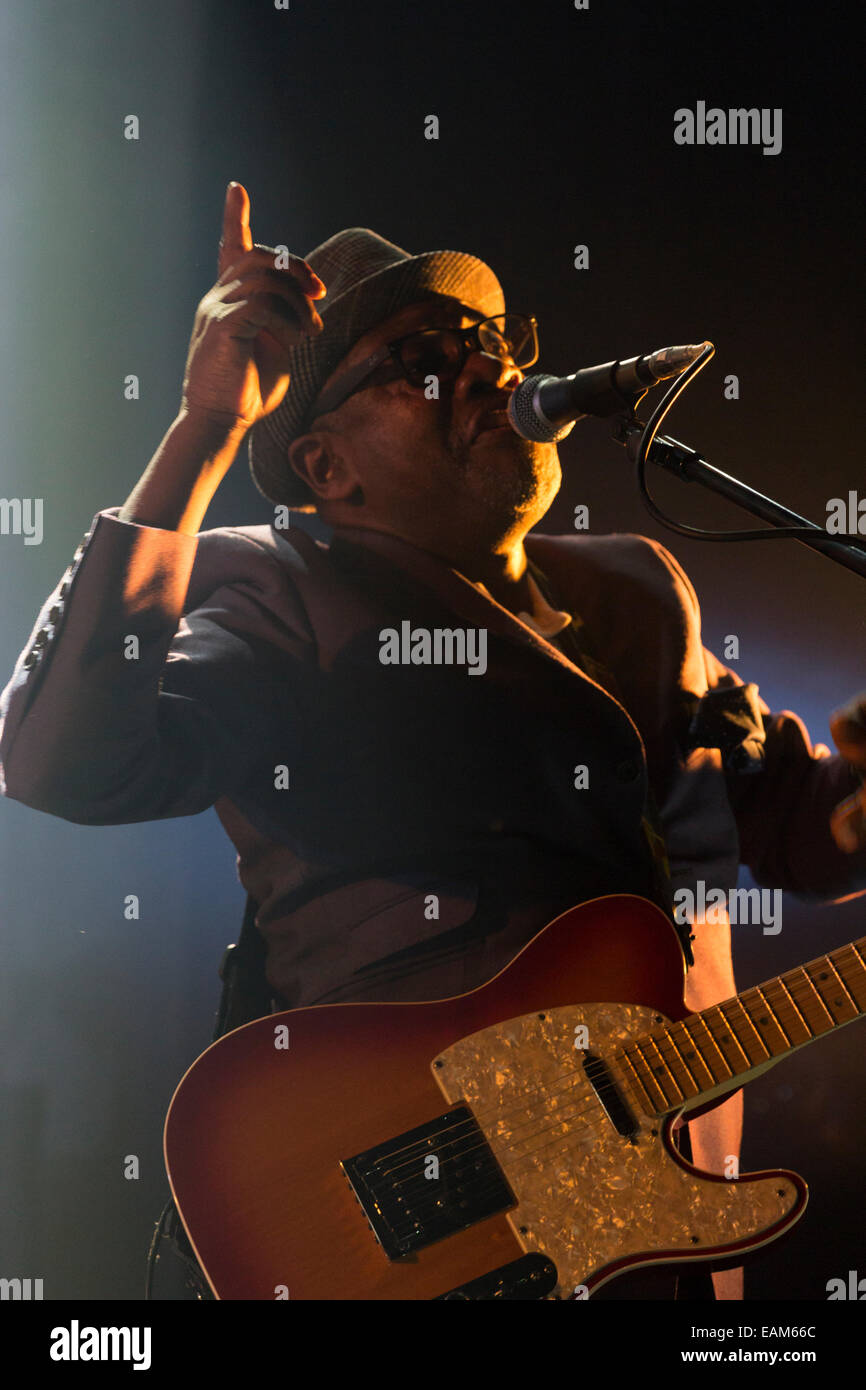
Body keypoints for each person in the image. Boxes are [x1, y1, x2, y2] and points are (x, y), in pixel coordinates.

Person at [2, 182, 865, 1302]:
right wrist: (203, 434)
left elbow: (800, 830)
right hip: (413, 1221)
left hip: (656, 1225)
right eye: (420, 360)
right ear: (325, 468)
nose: (488, 370)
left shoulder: (637, 591)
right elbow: (67, 761)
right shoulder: (279, 581)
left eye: (489, 342)